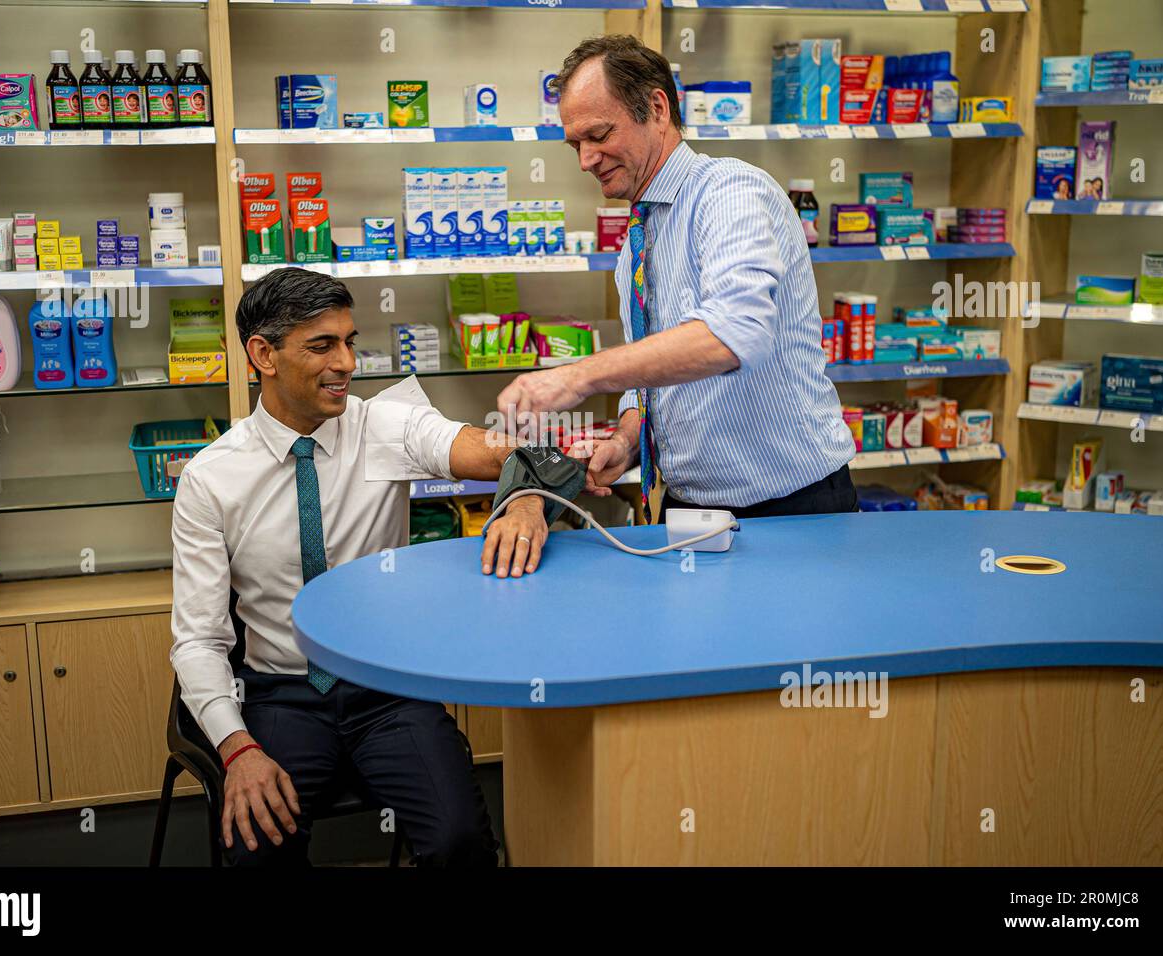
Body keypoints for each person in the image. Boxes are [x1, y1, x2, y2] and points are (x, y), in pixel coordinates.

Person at [170, 268, 550, 866]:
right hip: (281, 696)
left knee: (462, 842)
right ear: (263, 354)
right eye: (322, 346)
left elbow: (507, 451)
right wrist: (238, 749)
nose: (347, 362)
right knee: (257, 848)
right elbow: (197, 640)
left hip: (388, 692)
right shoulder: (210, 479)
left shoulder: (384, 424)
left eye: (350, 340)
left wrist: (524, 496)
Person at [496, 35, 858, 521]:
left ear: (658, 108)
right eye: (575, 144)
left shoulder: (729, 192)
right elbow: (650, 378)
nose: (585, 159)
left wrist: (576, 377)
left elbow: (735, 334)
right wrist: (628, 439)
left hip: (793, 508)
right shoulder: (637, 243)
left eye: (599, 135)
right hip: (691, 506)